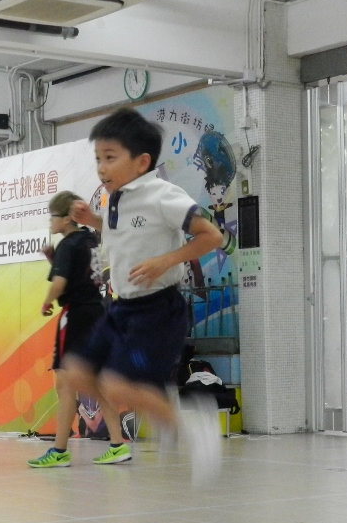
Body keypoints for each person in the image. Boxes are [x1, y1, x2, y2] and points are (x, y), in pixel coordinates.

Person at [65, 109, 225, 461]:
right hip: (121, 307)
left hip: (158, 309)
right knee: (75, 372)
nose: (101, 168)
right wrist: (91, 220)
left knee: (116, 384)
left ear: (141, 163)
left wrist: (166, 260)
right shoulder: (115, 199)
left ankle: (192, 426)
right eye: (98, 159)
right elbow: (120, 233)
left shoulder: (161, 194)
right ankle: (163, 412)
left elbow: (212, 235)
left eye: (109, 158)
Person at [28, 191, 130, 468]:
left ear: (66, 219)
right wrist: (55, 261)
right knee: (96, 383)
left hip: (75, 316)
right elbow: (82, 276)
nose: (50, 222)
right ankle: (118, 445)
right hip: (98, 313)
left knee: (64, 385)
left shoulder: (67, 245)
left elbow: (60, 285)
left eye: (53, 216)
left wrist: (46, 302)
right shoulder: (89, 240)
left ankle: (59, 450)